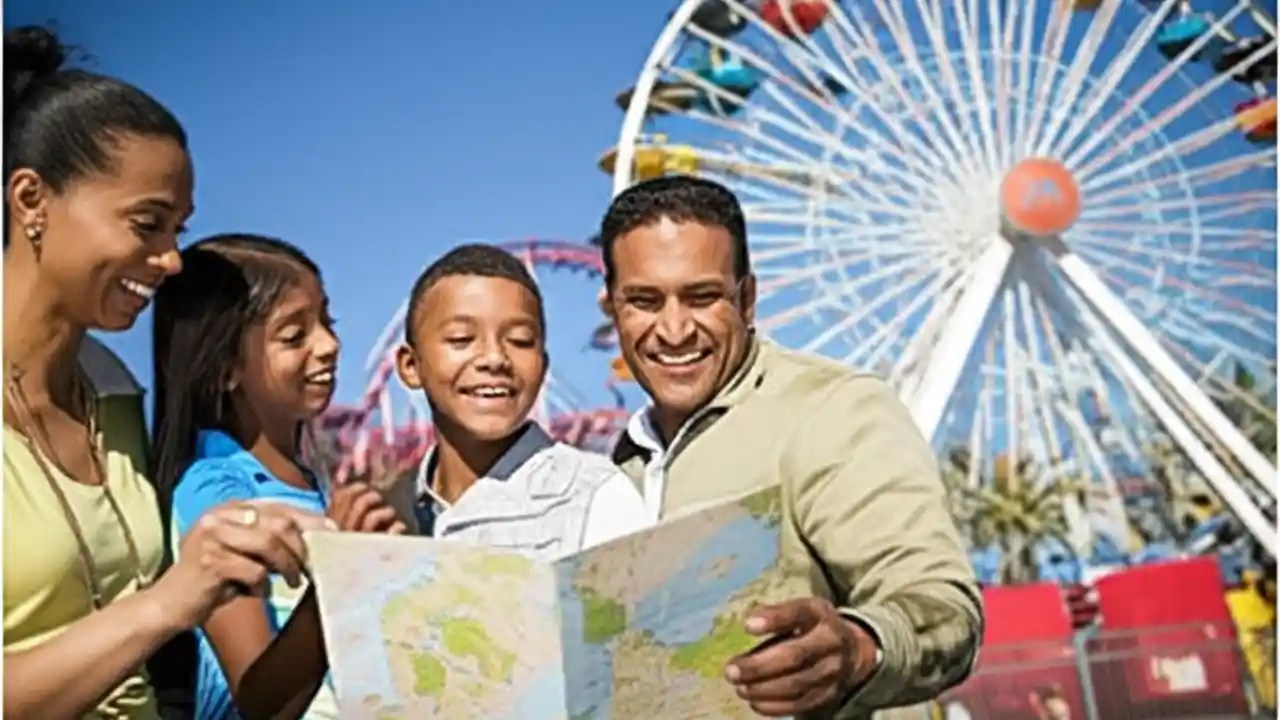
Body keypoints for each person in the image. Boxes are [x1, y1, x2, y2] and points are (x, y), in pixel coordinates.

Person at [2, 26, 330, 720]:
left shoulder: (115, 395)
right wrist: (170, 601)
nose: (172, 259)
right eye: (147, 224)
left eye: (179, 229)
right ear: (32, 201)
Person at [599, 176, 984, 719]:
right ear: (612, 308)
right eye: (643, 301)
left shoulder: (830, 411)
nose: (674, 328)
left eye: (702, 296)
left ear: (748, 297)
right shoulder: (621, 466)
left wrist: (860, 649)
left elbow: (944, 608)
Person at [152, 234, 407, 720]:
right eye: (295, 335)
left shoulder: (311, 484)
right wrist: (344, 572)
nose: (330, 344)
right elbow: (261, 701)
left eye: (327, 321)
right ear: (224, 369)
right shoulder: (217, 491)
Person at [392, 243, 648, 556]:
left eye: (520, 341)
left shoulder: (593, 497)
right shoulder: (389, 511)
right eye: (461, 339)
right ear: (410, 366)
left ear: (543, 365)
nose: (495, 358)